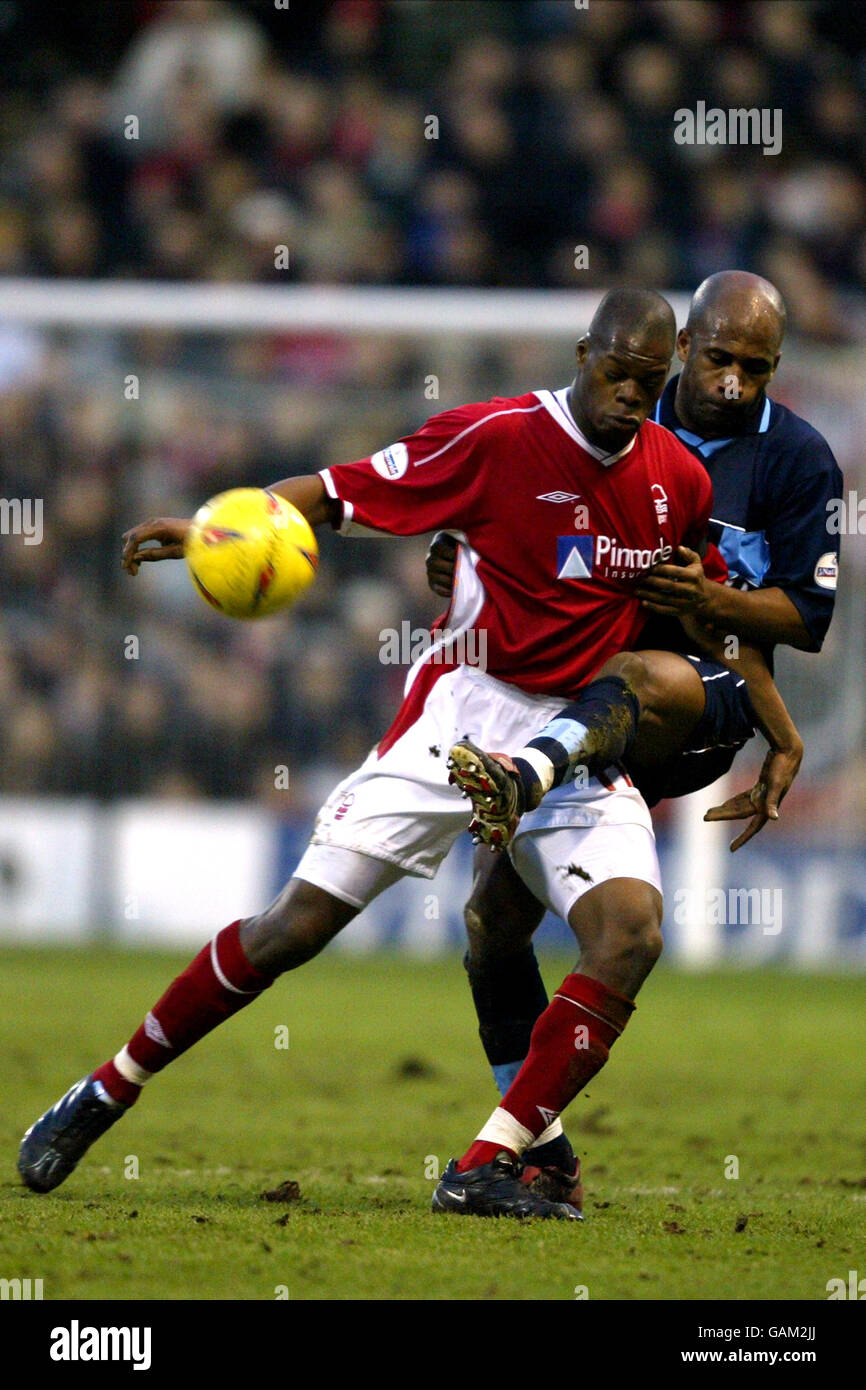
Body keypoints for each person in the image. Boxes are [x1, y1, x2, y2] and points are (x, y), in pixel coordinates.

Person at [17, 287, 797, 1221]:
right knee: (290, 931)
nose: (630, 397)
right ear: (584, 355)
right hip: (463, 713)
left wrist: (777, 730)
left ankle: (489, 1163)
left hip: (585, 730)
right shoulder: (495, 438)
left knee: (630, 933)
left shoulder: (680, 478)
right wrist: (215, 530)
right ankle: (108, 1087)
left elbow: (703, 617)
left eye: (646, 382)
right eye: (616, 374)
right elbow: (337, 490)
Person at [424, 272, 842, 1216]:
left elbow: (805, 618)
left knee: (642, 676)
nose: (736, 382)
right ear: (685, 346)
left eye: (759, 369)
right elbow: (535, 534)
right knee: (492, 932)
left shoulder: (799, 460)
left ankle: (524, 773)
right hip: (591, 702)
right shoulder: (612, 419)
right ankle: (538, 1150)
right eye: (722, 359)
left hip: (711, 690)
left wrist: (713, 603)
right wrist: (464, 558)